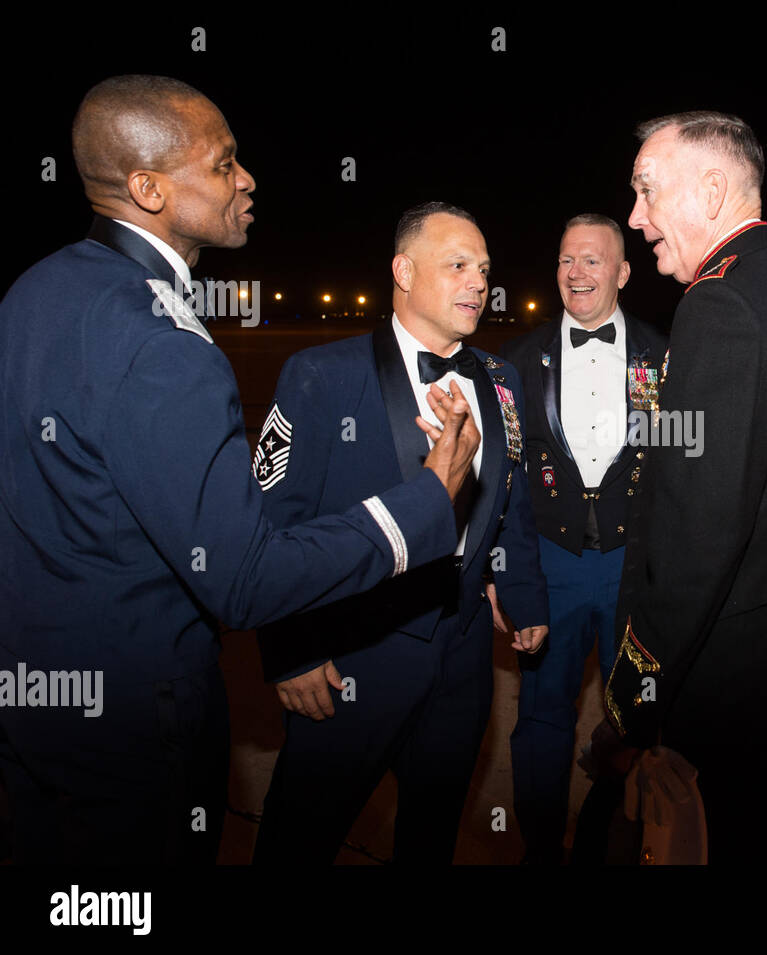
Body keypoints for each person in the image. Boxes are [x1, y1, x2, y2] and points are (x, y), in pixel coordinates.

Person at [0, 77, 479, 865]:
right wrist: (423, 502)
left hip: (39, 702)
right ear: (149, 188)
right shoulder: (162, 343)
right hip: (133, 721)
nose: (248, 178)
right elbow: (244, 577)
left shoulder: (36, 290)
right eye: (223, 165)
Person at [592, 111, 767, 863]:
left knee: (687, 838)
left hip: (710, 667)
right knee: (745, 829)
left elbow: (696, 534)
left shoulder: (722, 305)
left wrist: (632, 697)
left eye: (648, 191)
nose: (636, 217)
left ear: (712, 189)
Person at [252, 203, 549, 864]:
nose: (479, 282)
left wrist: (522, 593)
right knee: (298, 840)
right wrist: (291, 651)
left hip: (464, 660)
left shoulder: (501, 381)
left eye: (484, 269)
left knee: (431, 838)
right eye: (458, 265)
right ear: (404, 271)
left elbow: (511, 496)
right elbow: (275, 525)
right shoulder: (321, 376)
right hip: (353, 655)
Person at [503, 214, 667, 864]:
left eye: (592, 260)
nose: (576, 272)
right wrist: (509, 577)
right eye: (567, 260)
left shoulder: (662, 357)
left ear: (623, 272)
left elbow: (681, 464)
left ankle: (615, 832)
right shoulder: (520, 360)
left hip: (635, 566)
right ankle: (542, 843)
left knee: (639, 710)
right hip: (553, 563)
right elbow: (506, 484)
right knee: (543, 714)